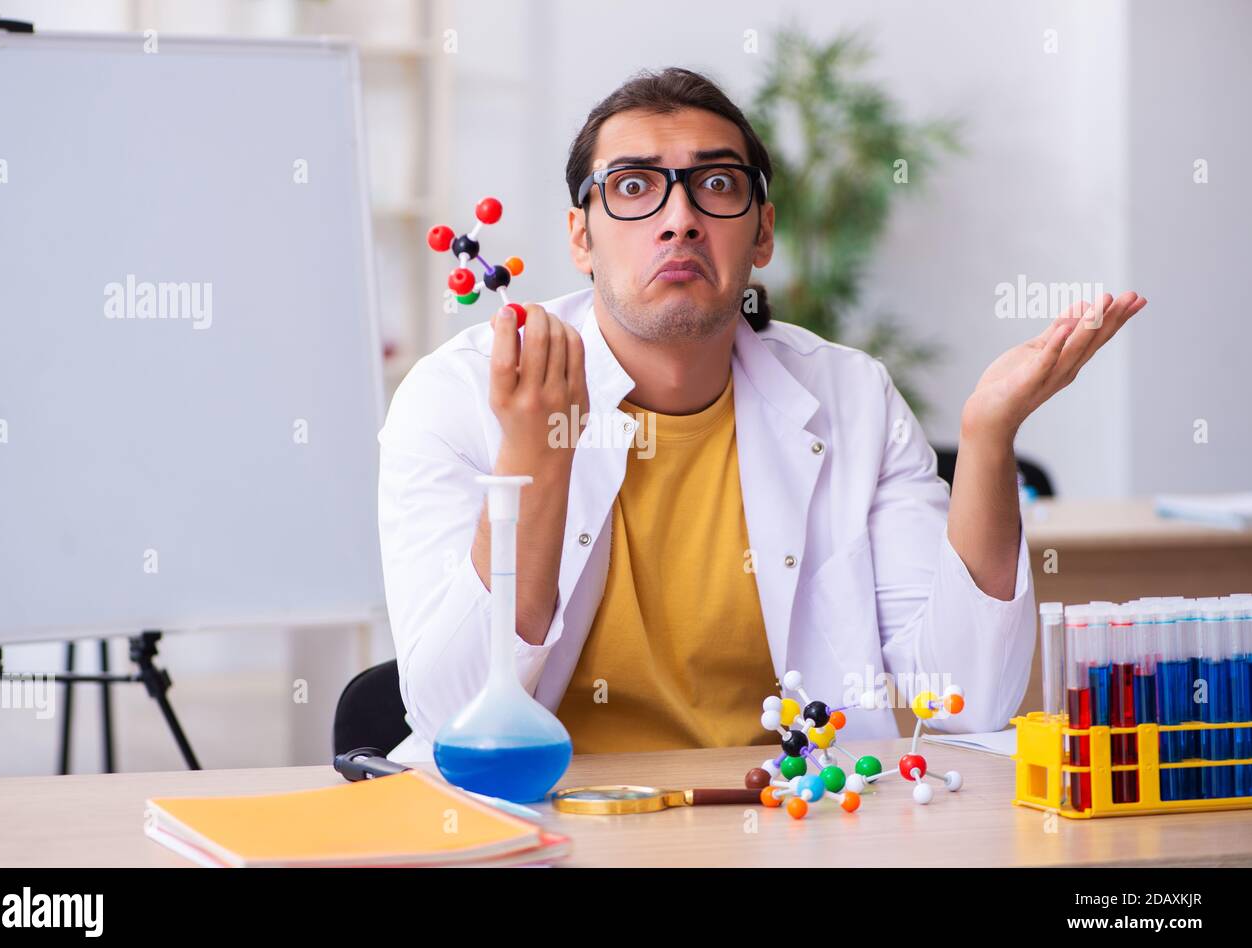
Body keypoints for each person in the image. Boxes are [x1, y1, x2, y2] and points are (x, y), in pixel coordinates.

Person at [378, 67, 1147, 763]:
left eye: (715, 185)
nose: (679, 218)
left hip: (791, 821)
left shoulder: (854, 398)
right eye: (636, 187)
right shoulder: (455, 396)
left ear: (764, 231)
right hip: (549, 825)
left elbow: (965, 696)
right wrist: (535, 456)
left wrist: (987, 434)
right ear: (582, 237)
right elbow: (452, 712)